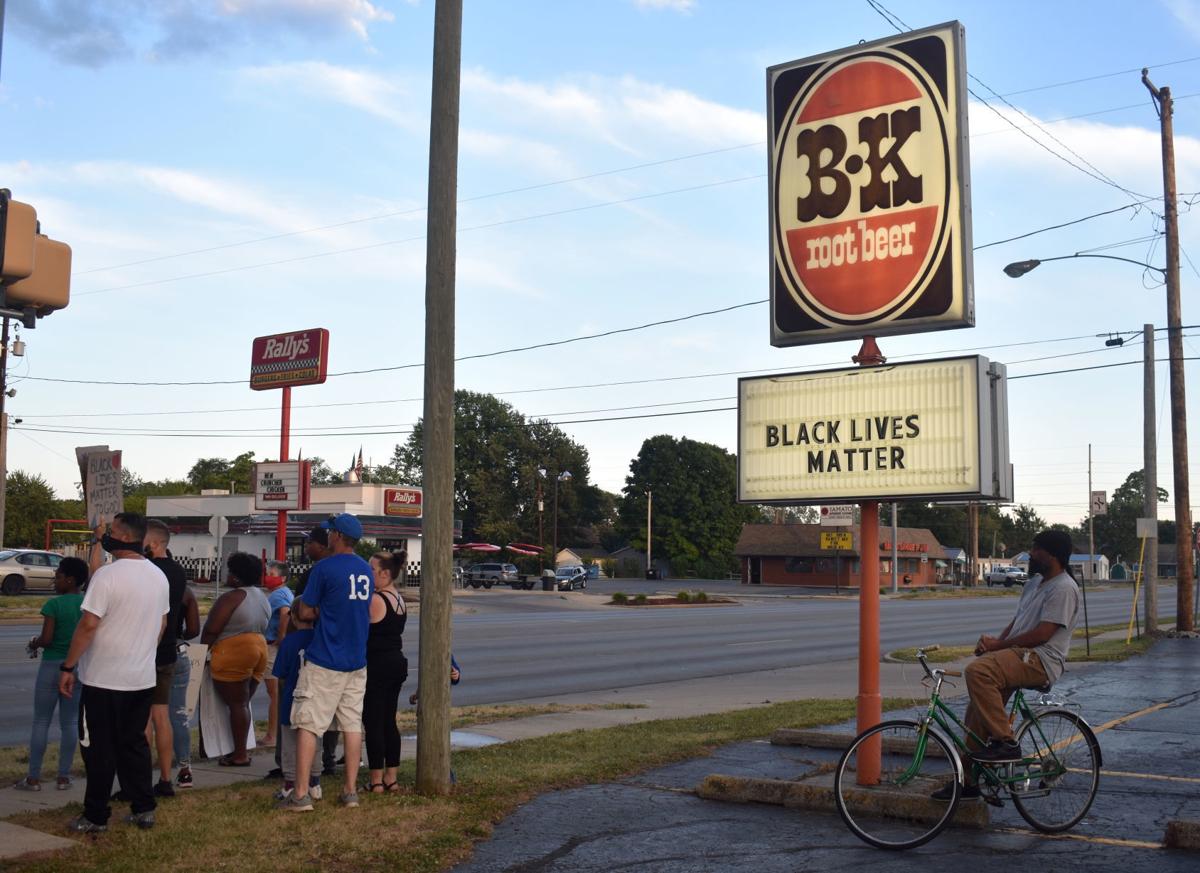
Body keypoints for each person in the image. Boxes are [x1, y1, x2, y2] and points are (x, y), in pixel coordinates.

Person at [932, 529, 1081, 801]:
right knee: (976, 715)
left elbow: (1042, 634)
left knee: (977, 671)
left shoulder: (1064, 588)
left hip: (1041, 659)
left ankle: (1007, 742)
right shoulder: (1034, 584)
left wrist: (997, 647)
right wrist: (994, 645)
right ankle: (968, 783)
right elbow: (1018, 623)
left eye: (1037, 549)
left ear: (1053, 555)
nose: (1031, 554)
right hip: (1018, 654)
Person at [59, 513, 170, 833]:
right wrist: (141, 651)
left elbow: (88, 625)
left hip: (102, 679)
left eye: (111, 531)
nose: (107, 534)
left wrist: (68, 666)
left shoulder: (107, 576)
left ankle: (96, 815)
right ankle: (144, 808)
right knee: (134, 745)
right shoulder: (157, 576)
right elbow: (161, 624)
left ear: (122, 537)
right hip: (141, 679)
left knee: (98, 749)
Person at [278, 513, 373, 812]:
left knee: (308, 723)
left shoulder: (324, 568)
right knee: (352, 724)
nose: (328, 536)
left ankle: (301, 794)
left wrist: (323, 610)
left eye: (331, 532)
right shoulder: (365, 569)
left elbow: (305, 611)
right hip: (356, 659)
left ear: (338, 536)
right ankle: (350, 791)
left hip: (325, 658)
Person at [13, 557, 88, 792]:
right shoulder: (87, 604)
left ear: (70, 580)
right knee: (70, 722)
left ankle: (33, 778)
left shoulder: (53, 605)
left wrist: (34, 643)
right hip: (76, 667)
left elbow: (47, 639)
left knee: (41, 721)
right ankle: (63, 777)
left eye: (58, 577)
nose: (55, 581)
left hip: (51, 666)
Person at [200, 552, 270, 766]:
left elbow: (212, 629)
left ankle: (240, 754)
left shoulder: (231, 598)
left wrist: (202, 653)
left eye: (230, 572)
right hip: (260, 648)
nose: (227, 575)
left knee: (237, 704)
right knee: (242, 703)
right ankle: (236, 749)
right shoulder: (261, 596)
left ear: (237, 577)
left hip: (234, 651)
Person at [144, 519, 189, 798]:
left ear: (154, 543)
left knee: (142, 719)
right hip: (168, 650)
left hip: (146, 652)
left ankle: (138, 779)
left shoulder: (148, 570)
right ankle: (164, 778)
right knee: (162, 717)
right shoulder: (177, 571)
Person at [295, 526, 339, 777]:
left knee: (311, 712)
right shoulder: (348, 569)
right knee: (335, 710)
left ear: (323, 545)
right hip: (341, 649)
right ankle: (328, 758)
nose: (307, 547)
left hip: (316, 646)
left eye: (310, 542)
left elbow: (302, 610)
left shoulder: (318, 572)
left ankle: (309, 769)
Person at [362, 550, 408, 794]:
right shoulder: (398, 599)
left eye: (371, 569)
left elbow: (360, 630)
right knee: (389, 720)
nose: (367, 572)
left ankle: (376, 780)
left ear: (385, 574)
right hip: (396, 662)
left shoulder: (376, 600)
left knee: (373, 721)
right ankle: (392, 777)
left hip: (377, 664)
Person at [270, 608, 323, 803]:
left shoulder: (289, 641)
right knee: (315, 739)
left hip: (292, 697)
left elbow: (281, 672)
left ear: (293, 617)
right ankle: (314, 782)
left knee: (290, 743)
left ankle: (290, 783)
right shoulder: (320, 638)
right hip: (315, 697)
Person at [168, 579, 200, 789]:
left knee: (146, 716)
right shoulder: (185, 591)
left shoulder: (147, 583)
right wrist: (180, 636)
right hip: (177, 651)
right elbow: (194, 629)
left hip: (149, 653)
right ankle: (184, 768)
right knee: (179, 714)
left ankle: (140, 770)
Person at [262, 560, 294, 748]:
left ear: (282, 578)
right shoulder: (285, 592)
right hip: (273, 645)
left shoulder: (280, 594)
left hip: (272, 646)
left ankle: (272, 735)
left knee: (274, 693)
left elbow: (285, 613)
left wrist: (281, 637)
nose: (268, 577)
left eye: (272, 574)